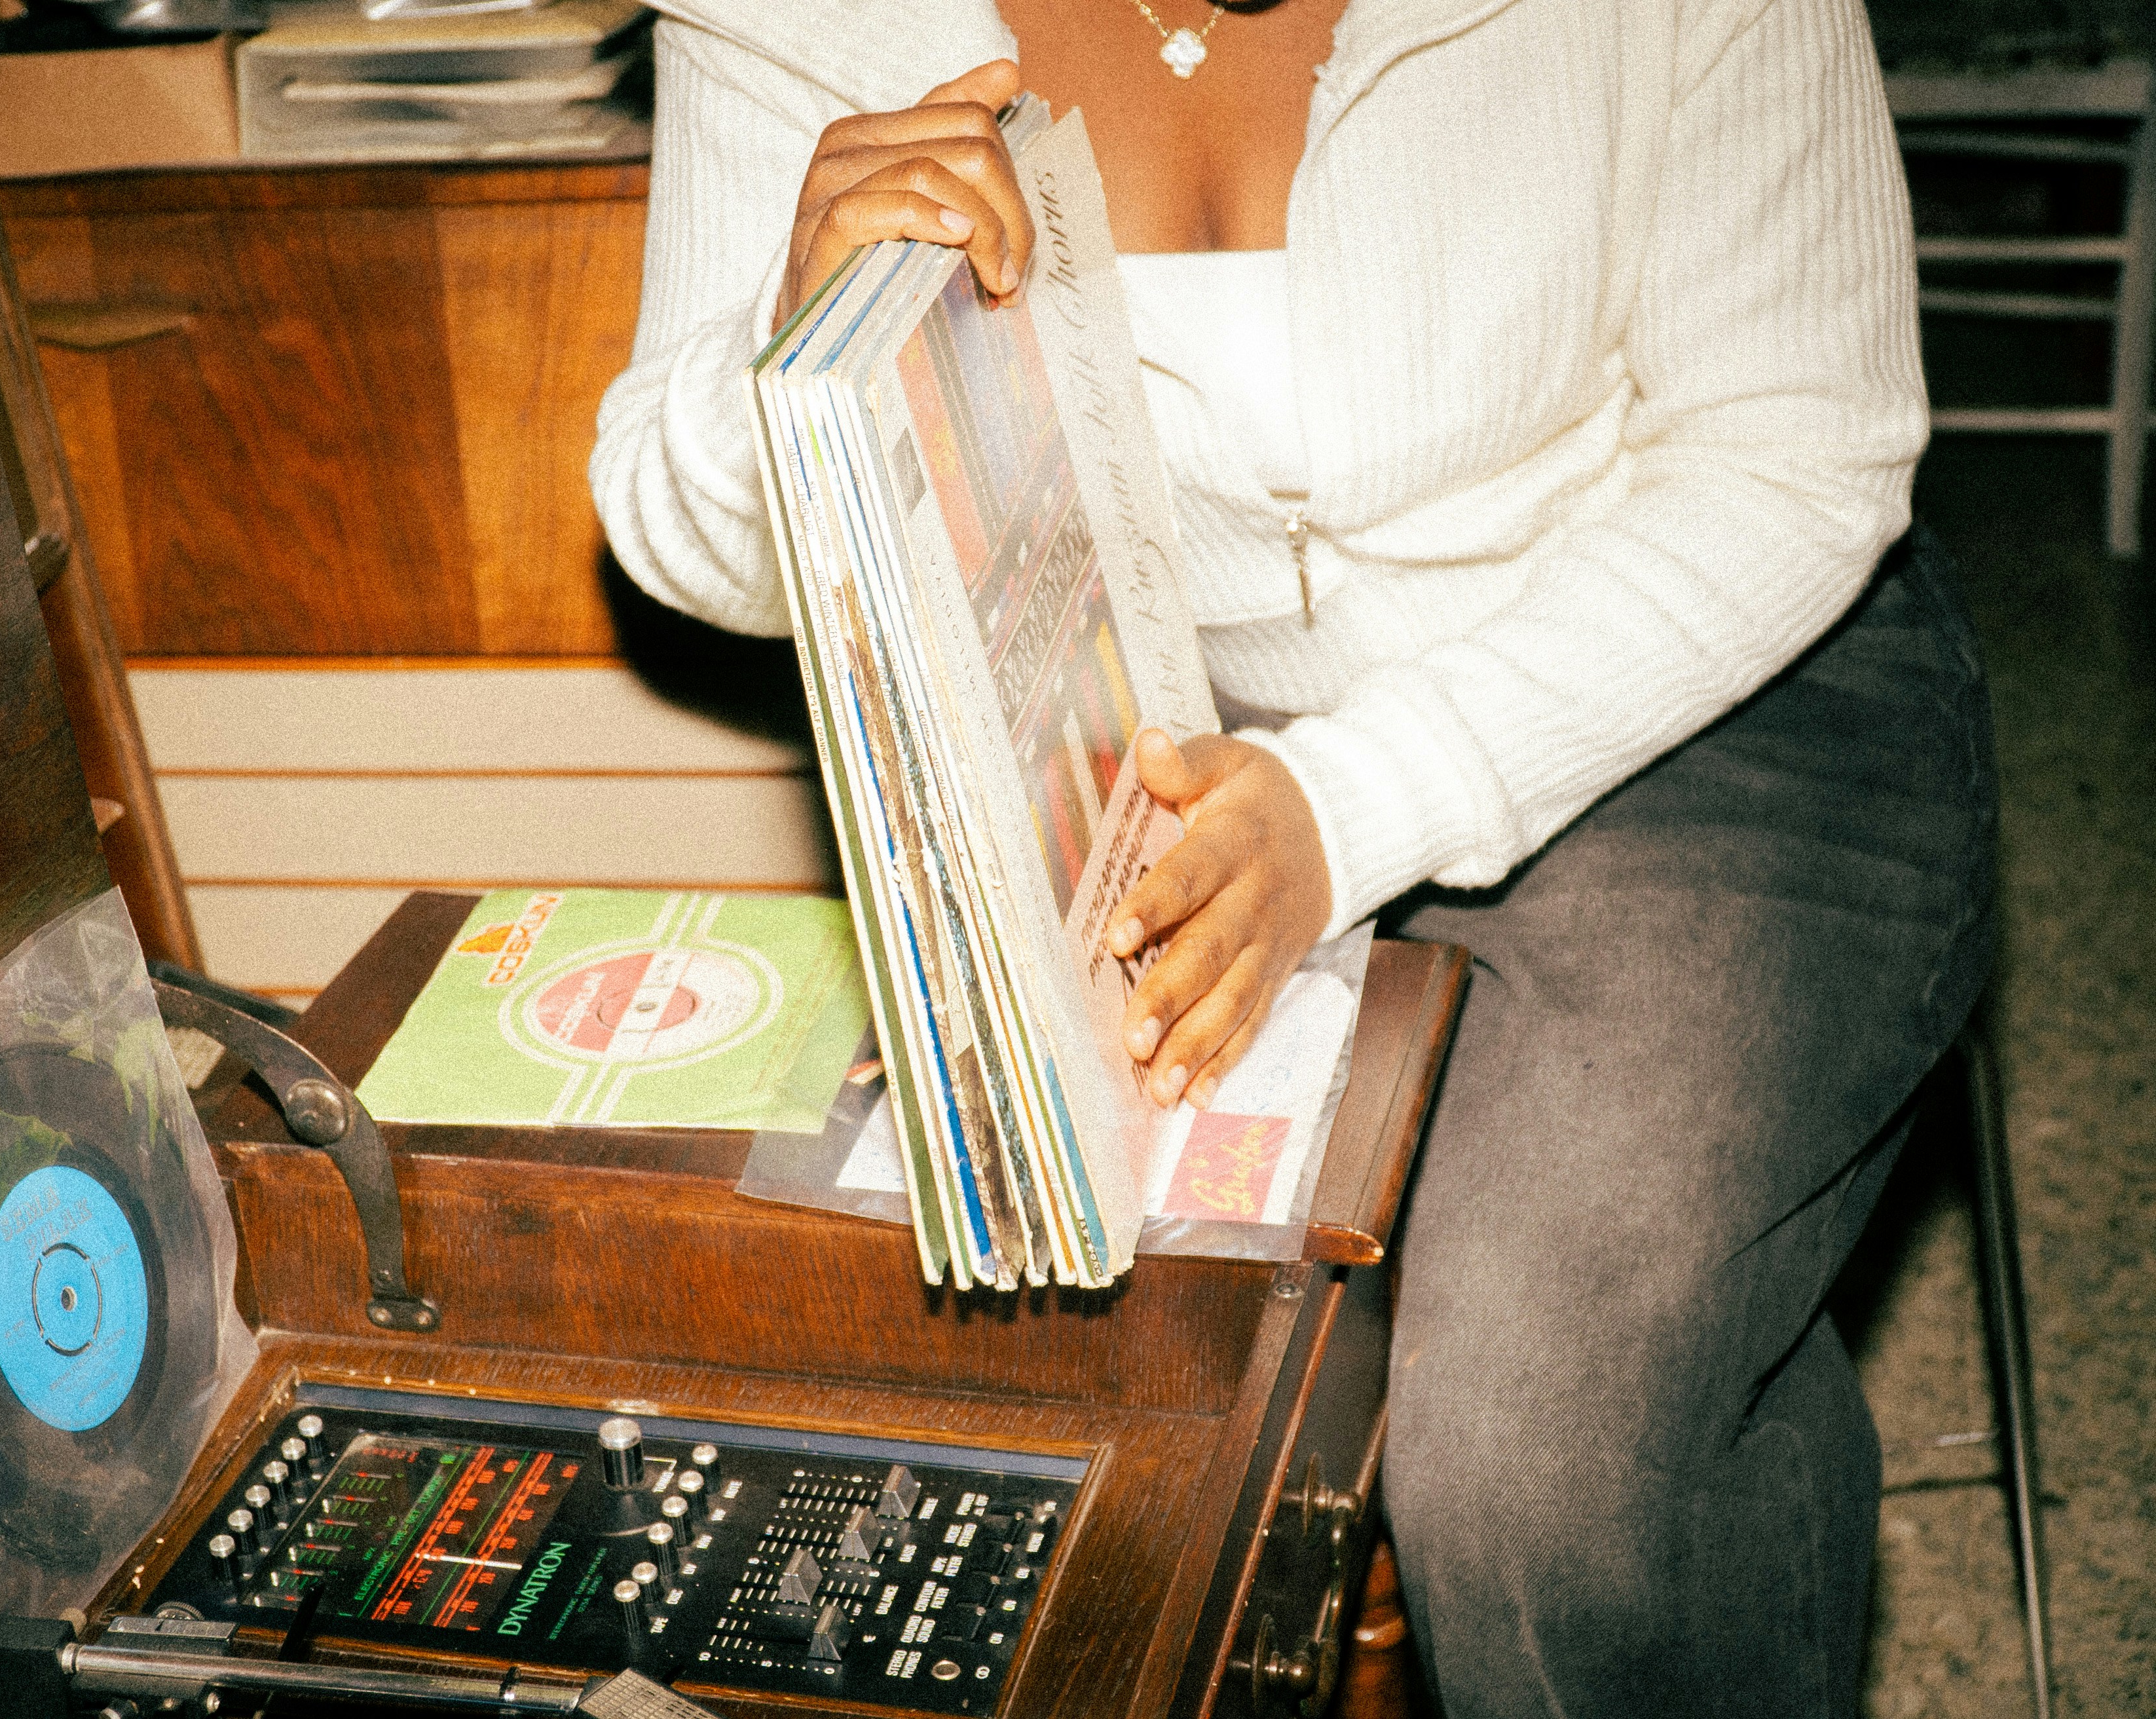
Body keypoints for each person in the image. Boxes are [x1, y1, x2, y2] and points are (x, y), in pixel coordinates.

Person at [588, 1, 1998, 1712]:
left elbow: (1799, 455)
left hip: (1714, 687)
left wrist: (1351, 809)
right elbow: (684, 540)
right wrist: (787, 356)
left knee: (1539, 1453)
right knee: (1004, 1385)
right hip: (1185, 748)